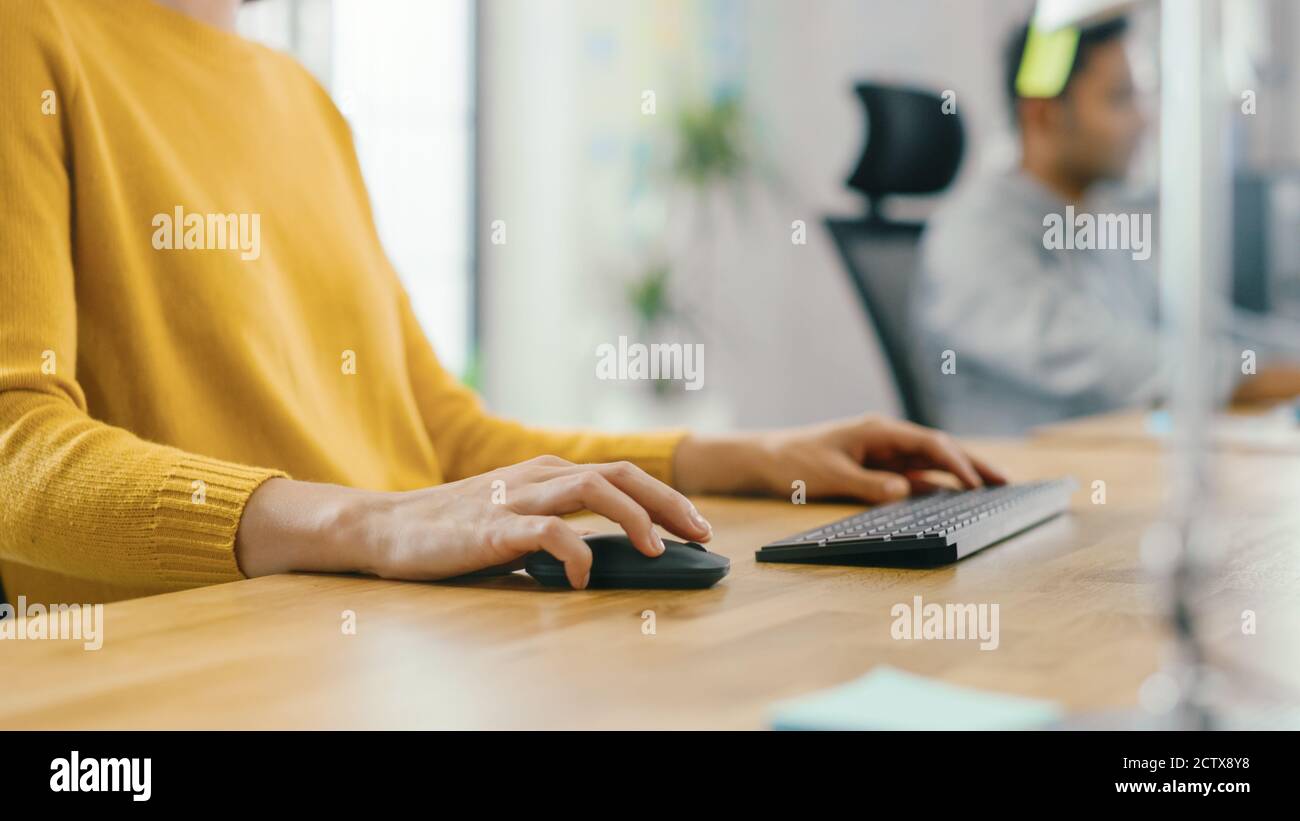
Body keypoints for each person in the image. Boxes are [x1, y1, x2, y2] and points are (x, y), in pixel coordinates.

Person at [0, 0, 1005, 604]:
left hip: (379, 638)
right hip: (188, 678)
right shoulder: (29, 38)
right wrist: (378, 526)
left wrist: (747, 458)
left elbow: (438, 436)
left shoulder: (301, 100)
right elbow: (14, 444)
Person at [913, 15, 1300, 436]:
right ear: (1043, 113)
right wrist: (1263, 379)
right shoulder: (975, 234)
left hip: (1120, 466)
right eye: (1120, 99)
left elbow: (1198, 325)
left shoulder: (1096, 223)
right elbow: (1110, 361)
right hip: (1028, 481)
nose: (1143, 121)